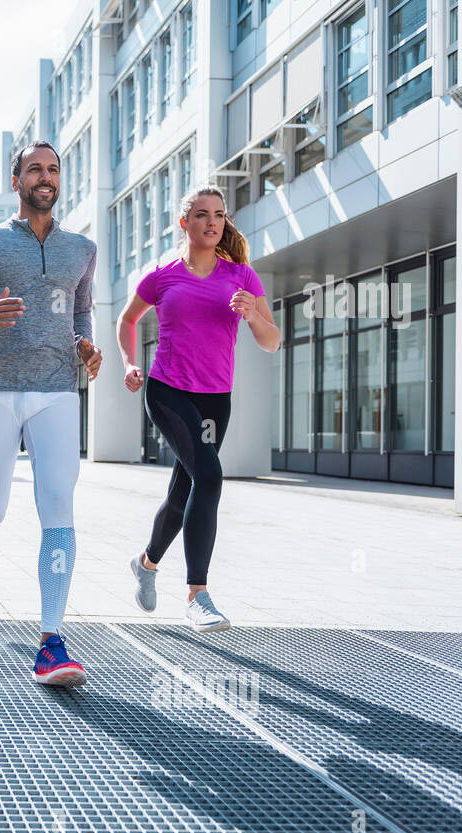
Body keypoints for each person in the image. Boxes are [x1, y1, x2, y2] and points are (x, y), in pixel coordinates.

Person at [0, 140, 102, 686]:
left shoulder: (82, 248)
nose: (46, 177)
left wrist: (86, 346)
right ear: (17, 181)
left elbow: (81, 311)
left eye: (53, 169)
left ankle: (52, 641)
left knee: (58, 504)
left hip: (59, 390)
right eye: (35, 169)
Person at [116, 184, 280, 632]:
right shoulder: (163, 274)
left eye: (220, 215)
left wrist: (253, 316)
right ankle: (197, 595)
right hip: (167, 390)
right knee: (209, 476)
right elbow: (128, 318)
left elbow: (272, 341)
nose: (213, 221)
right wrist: (131, 363)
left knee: (184, 489)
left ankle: (146, 564)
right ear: (184, 222)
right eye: (203, 214)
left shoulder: (242, 276)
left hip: (215, 399)